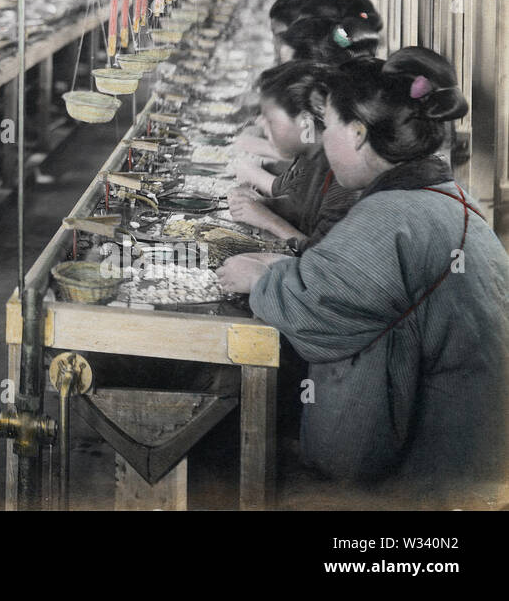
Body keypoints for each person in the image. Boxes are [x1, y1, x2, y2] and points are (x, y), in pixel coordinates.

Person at [218, 48, 509, 498]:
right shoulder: (439, 194)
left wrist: (257, 277)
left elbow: (320, 311)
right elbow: (354, 283)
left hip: (439, 468)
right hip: (475, 438)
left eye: (329, 125)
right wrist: (284, 265)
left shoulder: (388, 215)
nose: (324, 140)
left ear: (356, 133)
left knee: (231, 447)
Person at [227, 60, 358, 253]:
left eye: (270, 118)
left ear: (305, 122)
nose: (261, 124)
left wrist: (269, 220)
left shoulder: (343, 175)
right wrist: (264, 205)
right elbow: (303, 208)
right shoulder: (312, 158)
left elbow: (324, 257)